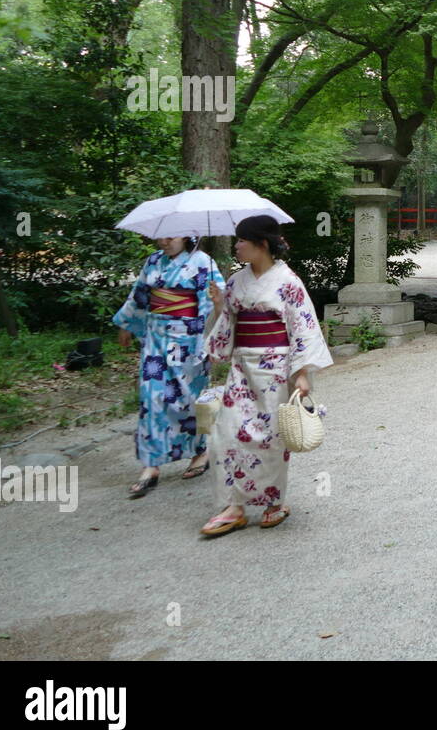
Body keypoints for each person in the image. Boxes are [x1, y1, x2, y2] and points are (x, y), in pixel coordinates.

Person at [199, 215, 333, 536]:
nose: (237, 245)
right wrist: (219, 305)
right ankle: (235, 506)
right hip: (241, 368)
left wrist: (301, 373)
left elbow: (303, 327)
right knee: (227, 433)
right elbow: (228, 324)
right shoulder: (235, 281)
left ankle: (275, 502)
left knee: (270, 439)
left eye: (242, 240)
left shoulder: (287, 282)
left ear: (261, 244)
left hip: (276, 369)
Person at [113, 235, 226, 497]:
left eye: (171, 236)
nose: (164, 241)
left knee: (188, 402)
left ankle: (200, 452)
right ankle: (150, 465)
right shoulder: (153, 261)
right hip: (155, 339)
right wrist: (126, 325)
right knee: (150, 398)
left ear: (187, 235)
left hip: (189, 342)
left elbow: (215, 306)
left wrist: (212, 339)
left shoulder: (202, 262)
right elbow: (139, 296)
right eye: (161, 237)